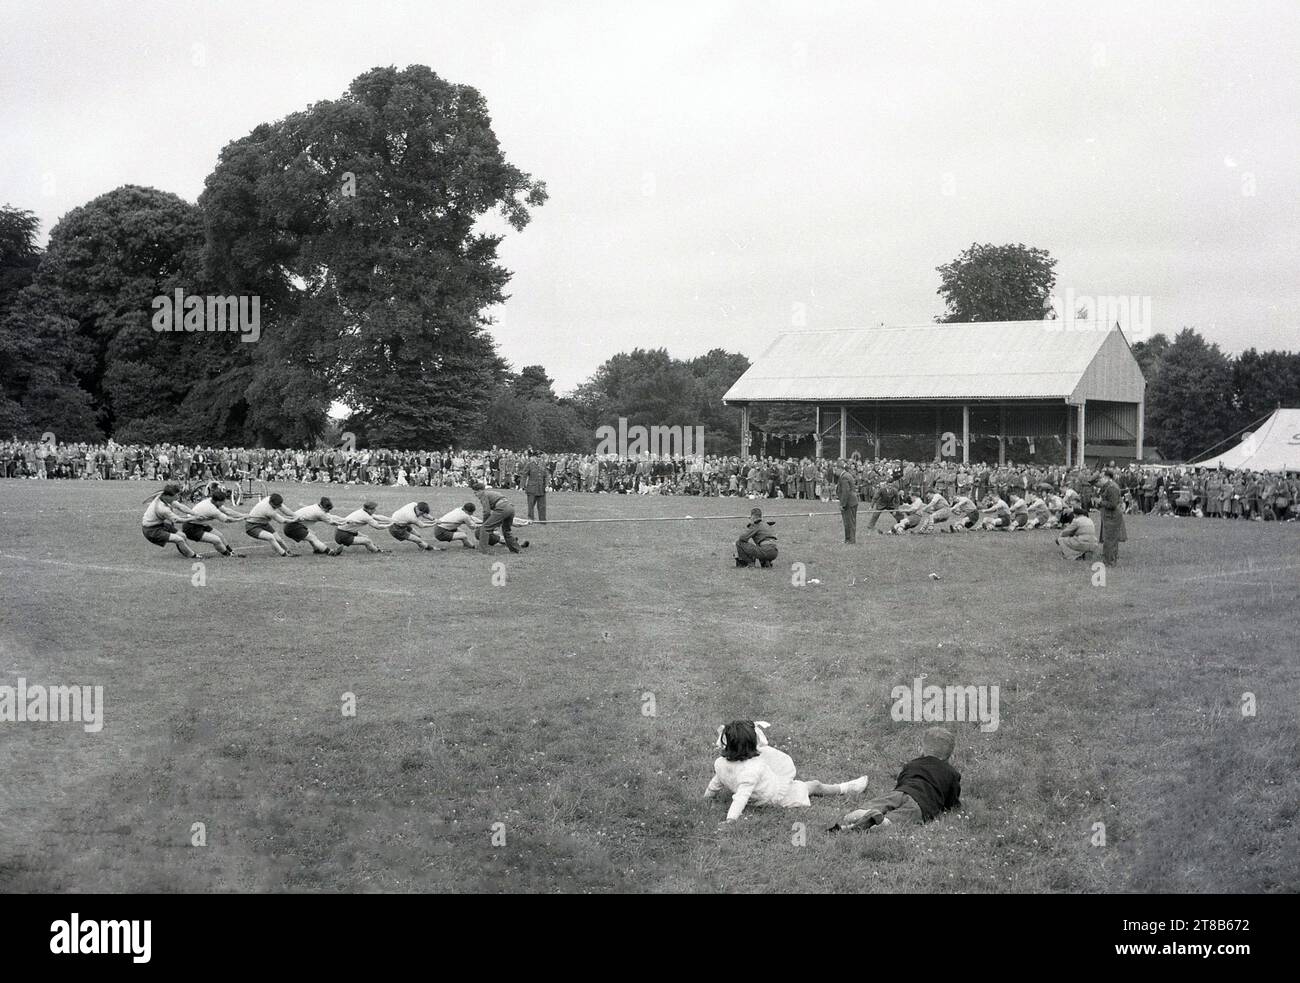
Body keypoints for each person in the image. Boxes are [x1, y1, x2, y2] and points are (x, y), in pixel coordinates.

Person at [704, 720, 869, 822]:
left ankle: (845, 787)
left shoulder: (720, 763)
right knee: (814, 785)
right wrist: (731, 820)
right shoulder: (753, 769)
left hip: (761, 790)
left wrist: (707, 797)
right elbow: (741, 797)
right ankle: (846, 788)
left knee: (777, 771)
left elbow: (716, 782)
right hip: (775, 796)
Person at [829, 727, 961, 832]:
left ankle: (858, 814)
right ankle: (880, 822)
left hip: (900, 792)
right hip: (920, 803)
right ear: (950, 757)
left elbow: (902, 781)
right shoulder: (951, 773)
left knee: (877, 804)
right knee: (896, 819)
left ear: (921, 749)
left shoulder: (912, 764)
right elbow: (951, 802)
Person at [174, 487, 244, 556]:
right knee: (216, 540)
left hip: (201, 524)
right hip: (191, 528)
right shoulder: (212, 509)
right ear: (218, 501)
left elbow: (227, 511)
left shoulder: (211, 500)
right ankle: (228, 555)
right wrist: (240, 519)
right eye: (223, 502)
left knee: (220, 535)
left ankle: (231, 551)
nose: (223, 504)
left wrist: (243, 515)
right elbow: (227, 520)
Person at [140, 484, 202, 558]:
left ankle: (186, 552)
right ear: (168, 496)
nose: (177, 497)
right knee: (179, 539)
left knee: (182, 535)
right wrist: (194, 518)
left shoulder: (164, 496)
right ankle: (193, 556)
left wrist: (195, 514)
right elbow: (177, 520)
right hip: (151, 531)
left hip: (160, 524)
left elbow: (181, 507)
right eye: (175, 496)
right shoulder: (162, 509)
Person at [470, 481, 526, 553]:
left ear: (480, 491)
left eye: (475, 492)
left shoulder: (483, 495)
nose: (475, 495)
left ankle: (483, 551)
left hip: (502, 509)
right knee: (507, 531)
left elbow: (486, 511)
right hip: (510, 508)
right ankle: (517, 549)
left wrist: (485, 523)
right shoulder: (492, 492)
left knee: (484, 528)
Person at [244, 493, 298, 557]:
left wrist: (295, 515)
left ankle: (289, 551)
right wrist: (294, 520)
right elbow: (283, 521)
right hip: (252, 526)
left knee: (279, 539)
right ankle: (284, 554)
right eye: (276, 506)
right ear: (271, 502)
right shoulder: (268, 510)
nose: (278, 507)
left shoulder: (272, 499)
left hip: (264, 523)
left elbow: (284, 509)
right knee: (270, 537)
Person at [1093, 470, 1127, 566]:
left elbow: (1112, 504)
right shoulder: (1110, 486)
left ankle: (1109, 562)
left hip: (1112, 517)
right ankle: (1109, 561)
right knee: (1110, 539)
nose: (1099, 482)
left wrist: (1100, 502)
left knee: (1110, 540)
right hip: (1110, 516)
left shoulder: (1112, 488)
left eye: (1101, 479)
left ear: (1106, 478)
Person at [434, 502, 500, 549]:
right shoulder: (464, 516)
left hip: (444, 527)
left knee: (463, 532)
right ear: (468, 511)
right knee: (463, 535)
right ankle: (471, 546)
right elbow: (472, 526)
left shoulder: (459, 509)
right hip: (440, 532)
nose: (472, 513)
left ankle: (465, 545)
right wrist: (484, 525)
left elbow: (471, 518)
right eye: (471, 512)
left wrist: (483, 522)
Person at [522, 451, 549, 522]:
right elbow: (524, 475)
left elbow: (546, 476)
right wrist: (522, 485)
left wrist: (547, 485)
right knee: (531, 505)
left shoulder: (543, 465)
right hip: (532, 488)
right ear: (534, 457)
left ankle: (542, 520)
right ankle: (531, 519)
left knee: (542, 506)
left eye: (540, 457)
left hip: (541, 488)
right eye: (538, 457)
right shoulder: (529, 465)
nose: (539, 458)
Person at [837, 463, 858, 543]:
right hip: (852, 501)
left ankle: (851, 540)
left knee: (849, 522)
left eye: (836, 469)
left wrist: (842, 504)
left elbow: (846, 492)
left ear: (840, 469)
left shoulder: (844, 477)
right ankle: (848, 539)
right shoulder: (847, 475)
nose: (835, 471)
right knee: (849, 522)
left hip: (849, 502)